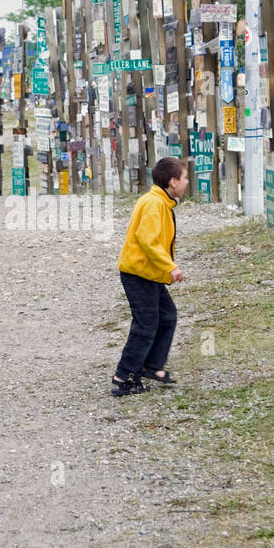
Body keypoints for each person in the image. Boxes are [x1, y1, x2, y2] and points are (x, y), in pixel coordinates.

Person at [112, 157, 189, 396]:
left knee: (166, 316)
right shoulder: (155, 204)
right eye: (185, 178)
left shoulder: (160, 201)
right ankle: (124, 377)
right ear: (173, 181)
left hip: (149, 273)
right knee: (145, 324)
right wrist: (171, 267)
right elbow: (148, 240)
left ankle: (151, 365)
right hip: (138, 273)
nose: (187, 182)